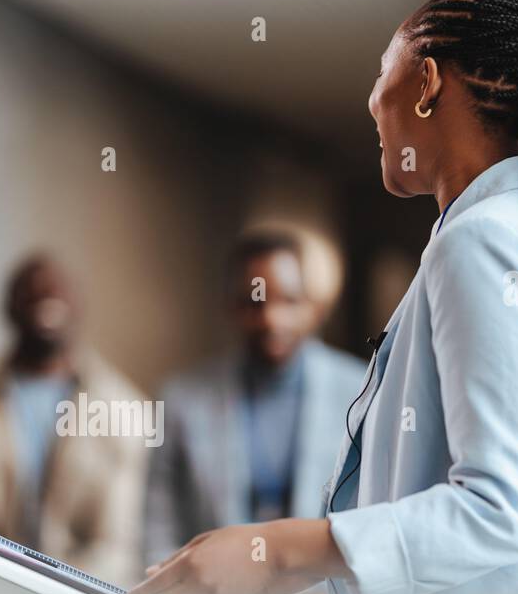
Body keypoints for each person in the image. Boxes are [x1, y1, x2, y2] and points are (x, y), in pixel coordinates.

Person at [131, 0, 518, 594]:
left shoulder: (486, 240)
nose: (371, 101)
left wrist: (269, 555)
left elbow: (498, 511)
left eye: (383, 71)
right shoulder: (503, 231)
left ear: (427, 82)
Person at [142, 229, 365, 568]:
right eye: (255, 302)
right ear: (231, 307)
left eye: (288, 301)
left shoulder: (359, 391)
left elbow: (374, 515)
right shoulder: (181, 401)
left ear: (312, 306)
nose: (271, 319)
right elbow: (158, 525)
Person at [0, 254, 146, 586]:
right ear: (6, 309)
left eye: (57, 290)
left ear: (79, 307)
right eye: (28, 291)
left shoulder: (127, 410)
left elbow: (116, 545)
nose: (43, 294)